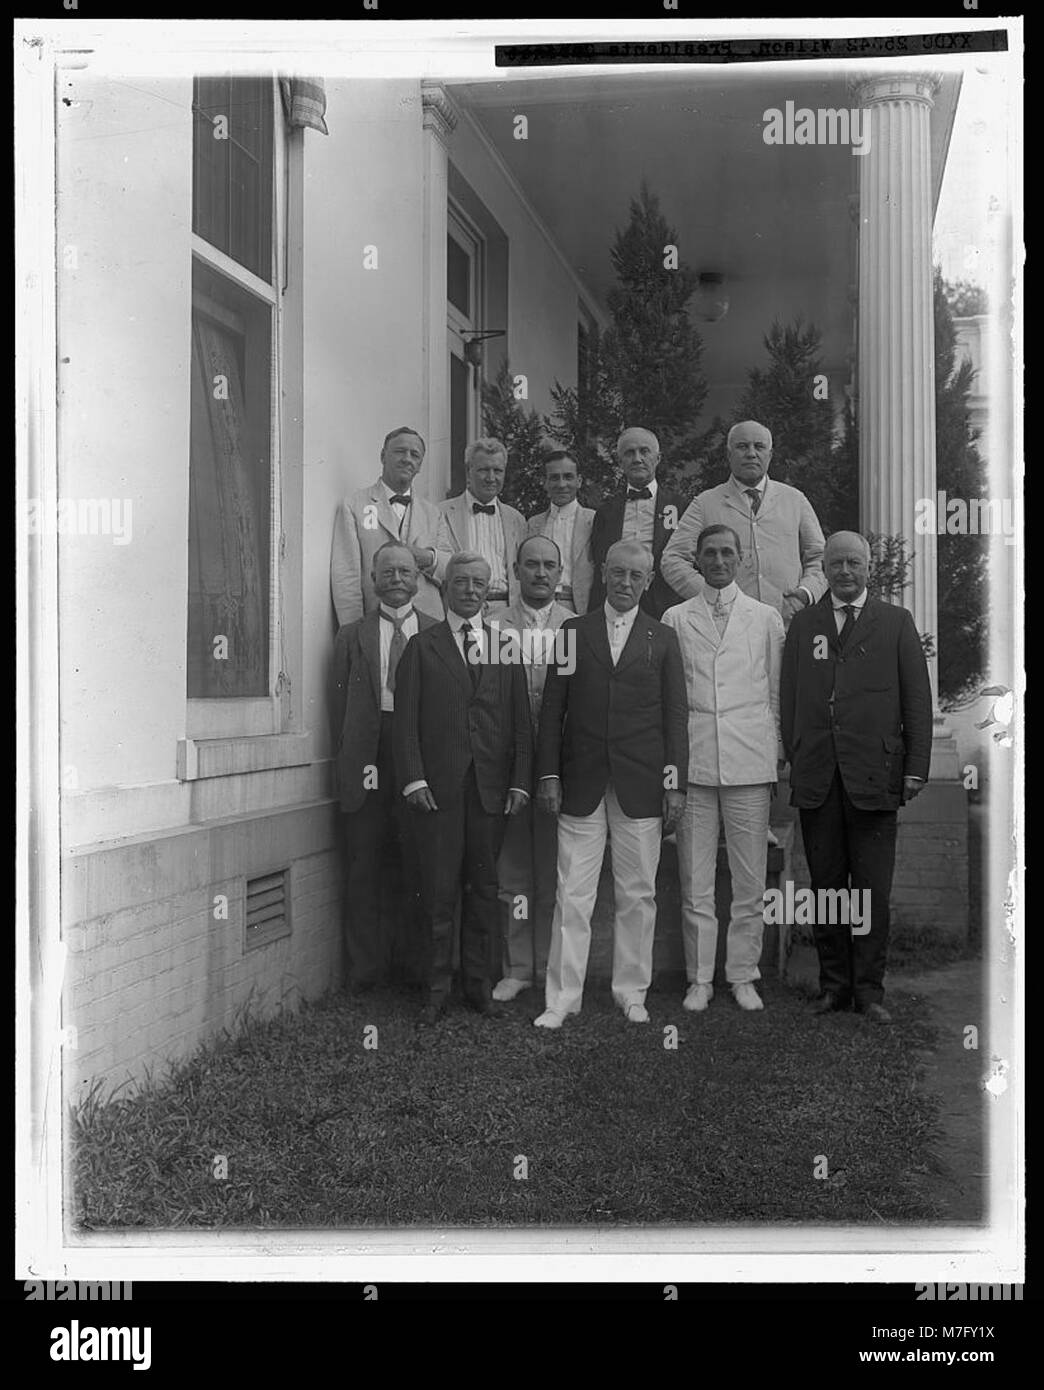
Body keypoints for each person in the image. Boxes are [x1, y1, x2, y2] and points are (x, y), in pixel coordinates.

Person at [780, 531, 933, 1023]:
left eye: (854, 563)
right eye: (836, 563)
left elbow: (917, 702)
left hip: (875, 776)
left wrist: (915, 768)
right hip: (819, 775)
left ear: (869, 569)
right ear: (823, 568)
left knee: (869, 889)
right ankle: (834, 987)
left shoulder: (895, 623)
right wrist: (794, 756)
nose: (845, 571)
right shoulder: (804, 626)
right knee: (826, 889)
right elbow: (790, 700)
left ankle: (869, 991)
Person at [534, 540, 688, 1028]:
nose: (625, 583)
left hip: (641, 783)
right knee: (571, 893)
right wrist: (550, 773)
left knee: (638, 893)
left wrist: (674, 784)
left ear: (647, 582)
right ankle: (561, 998)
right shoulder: (572, 631)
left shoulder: (661, 638)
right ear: (603, 573)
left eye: (636, 576)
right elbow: (552, 710)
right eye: (618, 573)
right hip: (580, 781)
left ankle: (631, 991)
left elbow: (675, 718)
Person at [394, 552, 533, 1025]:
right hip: (439, 791)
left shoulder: (503, 647)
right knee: (438, 892)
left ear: (490, 590)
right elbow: (405, 721)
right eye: (461, 582)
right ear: (445, 586)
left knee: (483, 889)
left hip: (490, 790)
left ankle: (478, 987)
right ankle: (436, 989)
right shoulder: (423, 645)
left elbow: (520, 724)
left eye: (479, 583)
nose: (470, 590)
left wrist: (519, 782)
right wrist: (414, 778)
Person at [662, 525, 785, 1014]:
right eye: (709, 553)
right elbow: (670, 699)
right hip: (694, 760)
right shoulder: (675, 617)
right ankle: (698, 978)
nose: (718, 560)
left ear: (740, 560)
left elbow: (775, 692)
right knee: (695, 878)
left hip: (749, 761)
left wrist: (773, 755)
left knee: (749, 878)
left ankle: (743, 975)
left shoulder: (765, 618)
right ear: (697, 560)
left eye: (726, 552)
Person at [329, 543, 438, 990]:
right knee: (364, 865)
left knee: (417, 865)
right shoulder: (351, 635)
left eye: (405, 571)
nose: (396, 578)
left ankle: (415, 971)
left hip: (417, 757)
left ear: (418, 580)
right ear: (373, 580)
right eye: (387, 571)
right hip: (367, 760)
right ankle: (365, 973)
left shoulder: (436, 632)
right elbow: (338, 707)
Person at [489, 536, 574, 1002]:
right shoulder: (494, 628)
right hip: (510, 768)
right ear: (516, 570)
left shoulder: (576, 627)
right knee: (515, 873)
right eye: (531, 565)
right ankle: (518, 967)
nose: (540, 573)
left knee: (558, 873)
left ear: (560, 574)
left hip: (561, 767)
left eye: (549, 566)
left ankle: (550, 968)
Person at [661, 420, 827, 628]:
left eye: (759, 447)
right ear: (729, 455)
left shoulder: (795, 500)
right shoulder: (705, 503)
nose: (751, 453)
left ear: (770, 454)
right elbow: (672, 559)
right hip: (727, 627)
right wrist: (711, 596)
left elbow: (820, 557)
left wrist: (805, 594)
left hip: (787, 624)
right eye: (742, 446)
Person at [330, 426, 449, 626]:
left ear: (420, 465)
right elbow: (346, 577)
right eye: (400, 451)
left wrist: (427, 557)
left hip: (428, 625)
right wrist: (355, 632)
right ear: (383, 456)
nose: (407, 459)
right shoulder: (354, 505)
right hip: (376, 621)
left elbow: (449, 567)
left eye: (415, 455)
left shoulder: (433, 513)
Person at [588, 427, 686, 619]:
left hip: (664, 604)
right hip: (616, 602)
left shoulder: (677, 507)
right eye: (629, 453)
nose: (637, 458)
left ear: (657, 458)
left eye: (644, 451)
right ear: (620, 461)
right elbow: (599, 560)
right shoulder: (606, 512)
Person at [436, 438, 527, 616]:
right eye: (483, 470)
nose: (491, 478)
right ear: (469, 472)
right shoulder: (441, 513)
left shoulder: (517, 519)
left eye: (498, 471)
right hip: (460, 608)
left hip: (506, 611)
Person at [525, 450, 596, 614]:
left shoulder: (593, 520)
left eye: (568, 477)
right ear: (545, 482)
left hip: (578, 607)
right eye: (555, 477)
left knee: (571, 641)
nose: (562, 484)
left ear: (579, 481)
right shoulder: (533, 524)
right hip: (539, 606)